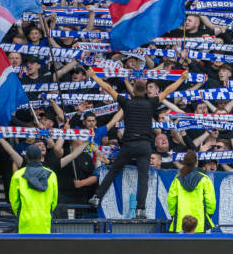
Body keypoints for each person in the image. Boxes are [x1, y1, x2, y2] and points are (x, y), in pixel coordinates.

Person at [86, 70, 187, 217]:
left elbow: (108, 89)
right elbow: (168, 90)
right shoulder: (151, 103)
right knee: (143, 178)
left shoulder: (127, 102)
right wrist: (181, 78)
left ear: (133, 90)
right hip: (144, 146)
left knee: (113, 171)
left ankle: (97, 197)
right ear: (146, 90)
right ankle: (140, 209)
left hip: (129, 145)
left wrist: (95, 76)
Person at [8, 144, 58, 233]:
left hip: (25, 220)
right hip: (45, 220)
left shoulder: (18, 175)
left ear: (26, 157)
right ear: (40, 156)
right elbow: (54, 200)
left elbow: (14, 200)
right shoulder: (51, 174)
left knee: (25, 246)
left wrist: (20, 213)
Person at [166, 150, 216, 232]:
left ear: (184, 162)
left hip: (180, 223)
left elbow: (171, 200)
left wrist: (174, 216)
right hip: (199, 224)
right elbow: (211, 202)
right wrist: (207, 216)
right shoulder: (205, 179)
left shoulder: (177, 179)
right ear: (196, 162)